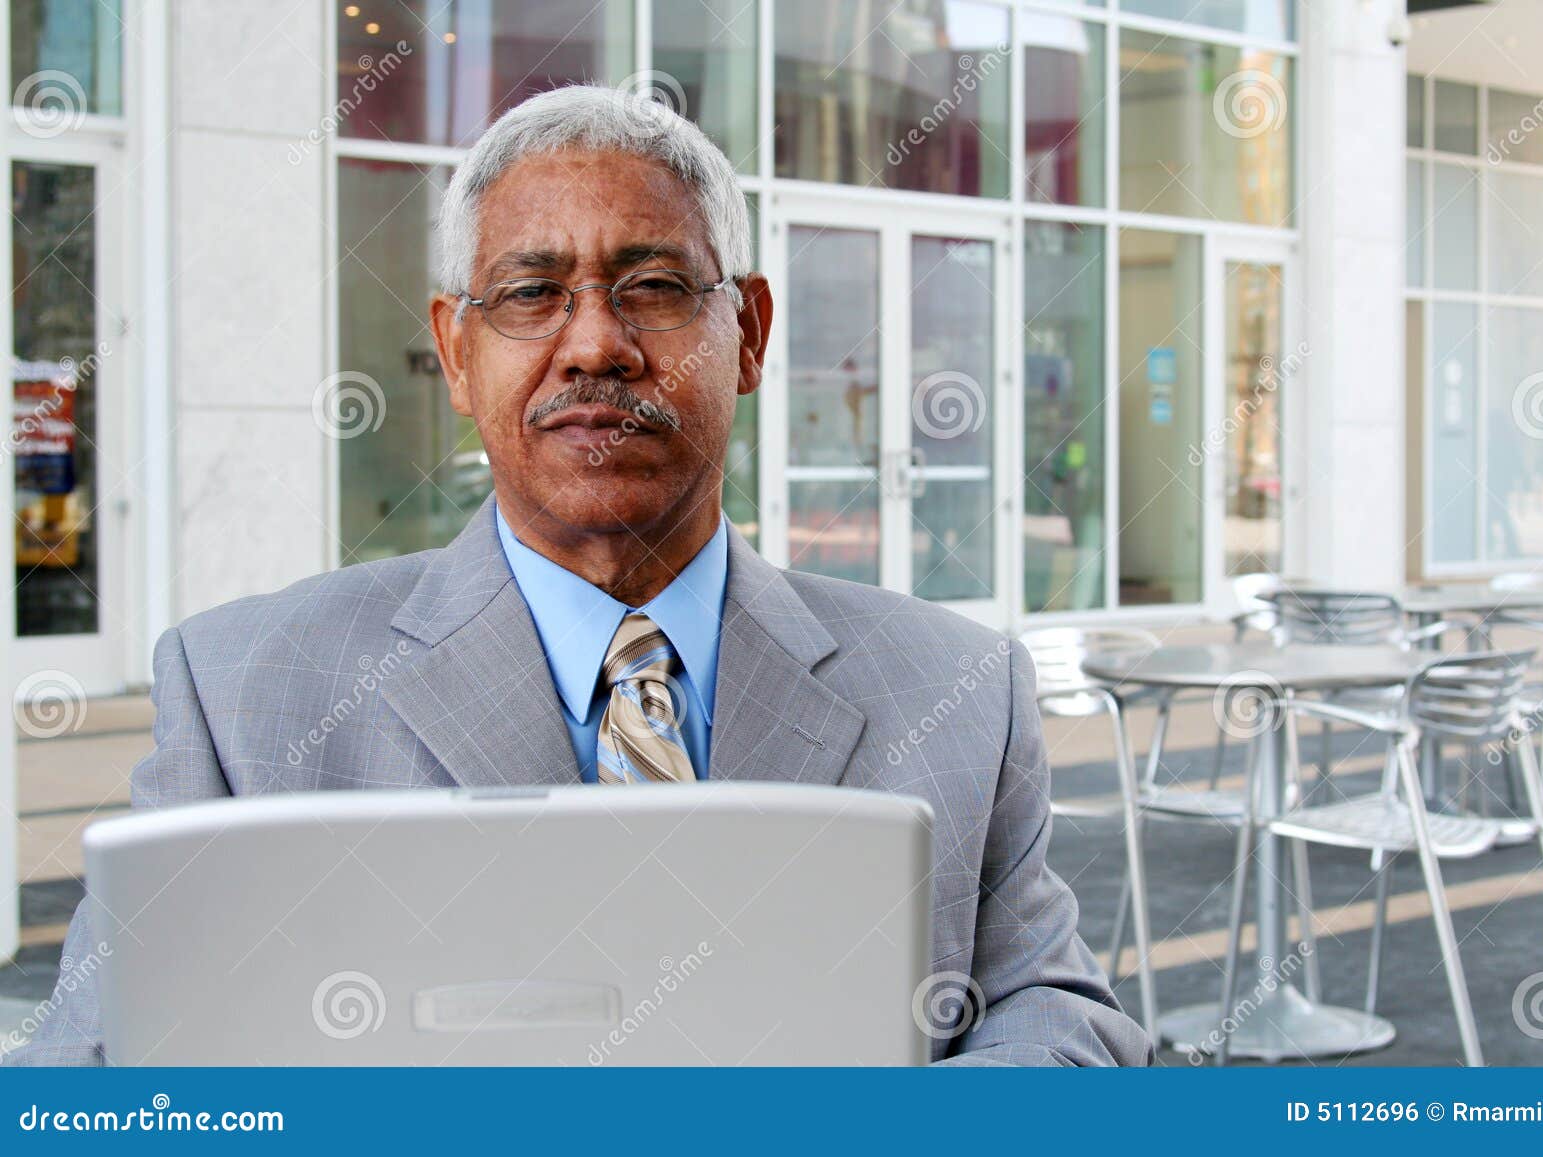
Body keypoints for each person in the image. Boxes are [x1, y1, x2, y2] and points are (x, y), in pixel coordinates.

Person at [7, 84, 1151, 1067]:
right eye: (530, 292)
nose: (595, 341)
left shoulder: (961, 692)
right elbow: (98, 1062)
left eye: (652, 286)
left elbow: (1052, 1009)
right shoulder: (243, 692)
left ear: (748, 334)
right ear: (457, 352)